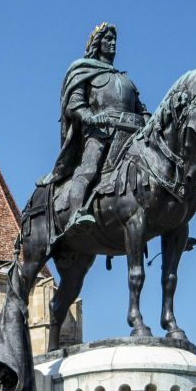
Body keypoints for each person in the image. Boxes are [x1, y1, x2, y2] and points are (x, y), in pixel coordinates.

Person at [40, 22, 150, 237]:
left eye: (114, 40)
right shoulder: (85, 72)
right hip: (100, 133)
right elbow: (75, 103)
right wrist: (91, 117)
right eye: (108, 39)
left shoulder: (125, 80)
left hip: (132, 135)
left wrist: (151, 122)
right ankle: (75, 215)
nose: (113, 43)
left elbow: (141, 109)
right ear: (98, 44)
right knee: (88, 169)